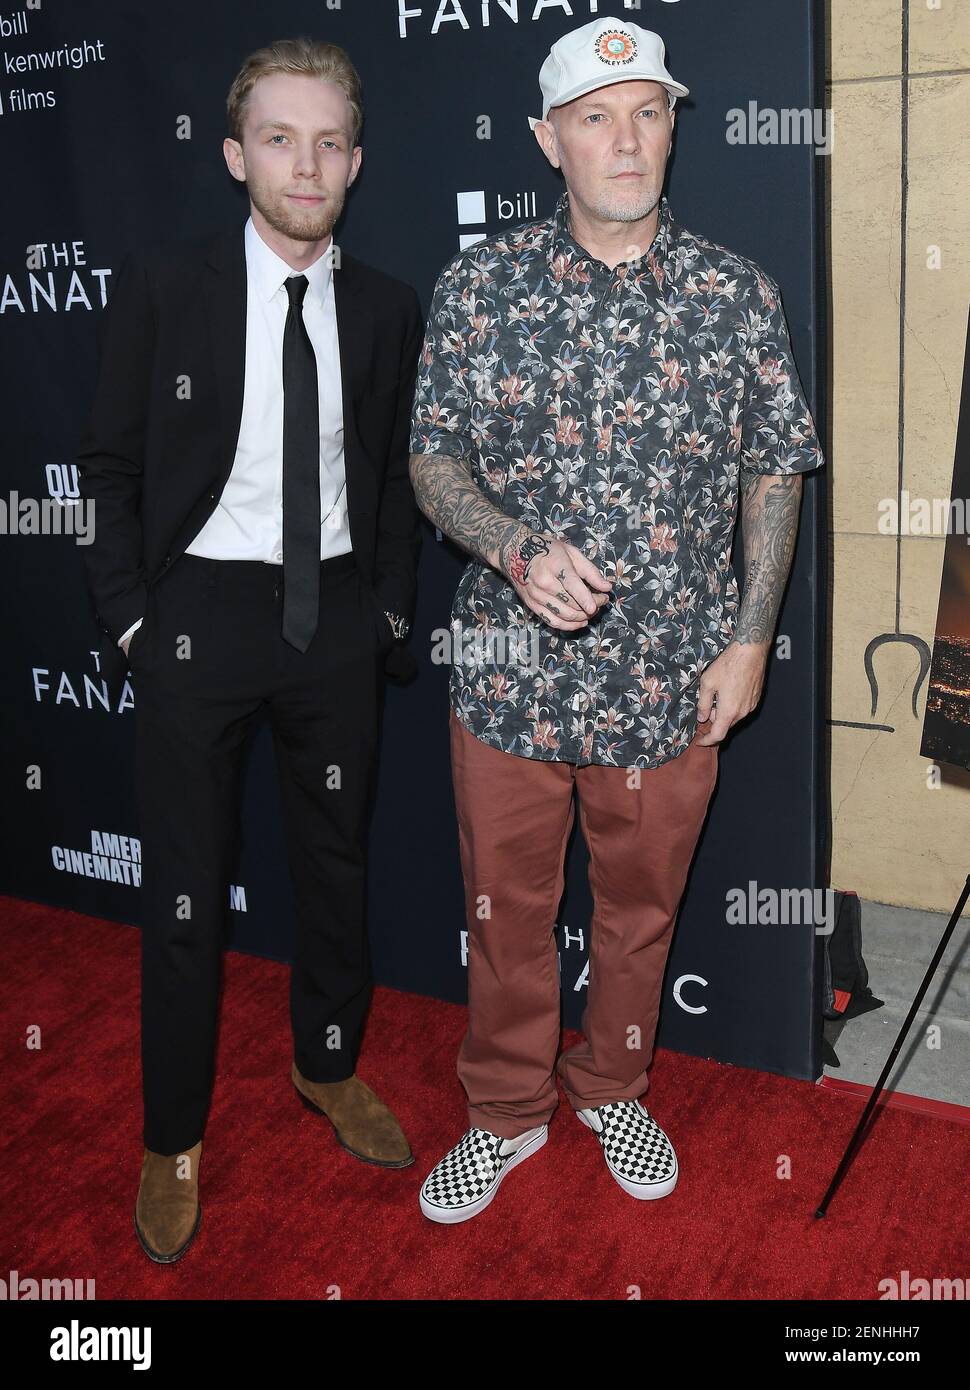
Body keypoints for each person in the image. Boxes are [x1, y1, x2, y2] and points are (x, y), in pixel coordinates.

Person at [408, 16, 825, 1223]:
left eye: (648, 112)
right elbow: (433, 464)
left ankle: (614, 1082)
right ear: (549, 141)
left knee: (640, 916)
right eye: (595, 117)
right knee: (508, 918)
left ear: (672, 129)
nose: (627, 138)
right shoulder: (479, 287)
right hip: (507, 680)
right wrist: (513, 545)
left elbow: (773, 472)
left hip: (671, 682)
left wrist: (749, 638)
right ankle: (502, 1110)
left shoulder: (735, 294)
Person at [76, 37, 422, 1263]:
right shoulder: (167, 289)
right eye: (279, 137)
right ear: (236, 157)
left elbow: (386, 482)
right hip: (196, 622)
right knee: (182, 897)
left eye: (328, 139)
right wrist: (130, 620)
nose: (306, 161)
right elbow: (109, 471)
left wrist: (383, 609)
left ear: (357, 161)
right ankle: (172, 1134)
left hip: (329, 618)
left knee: (335, 868)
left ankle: (327, 1065)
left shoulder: (384, 307)